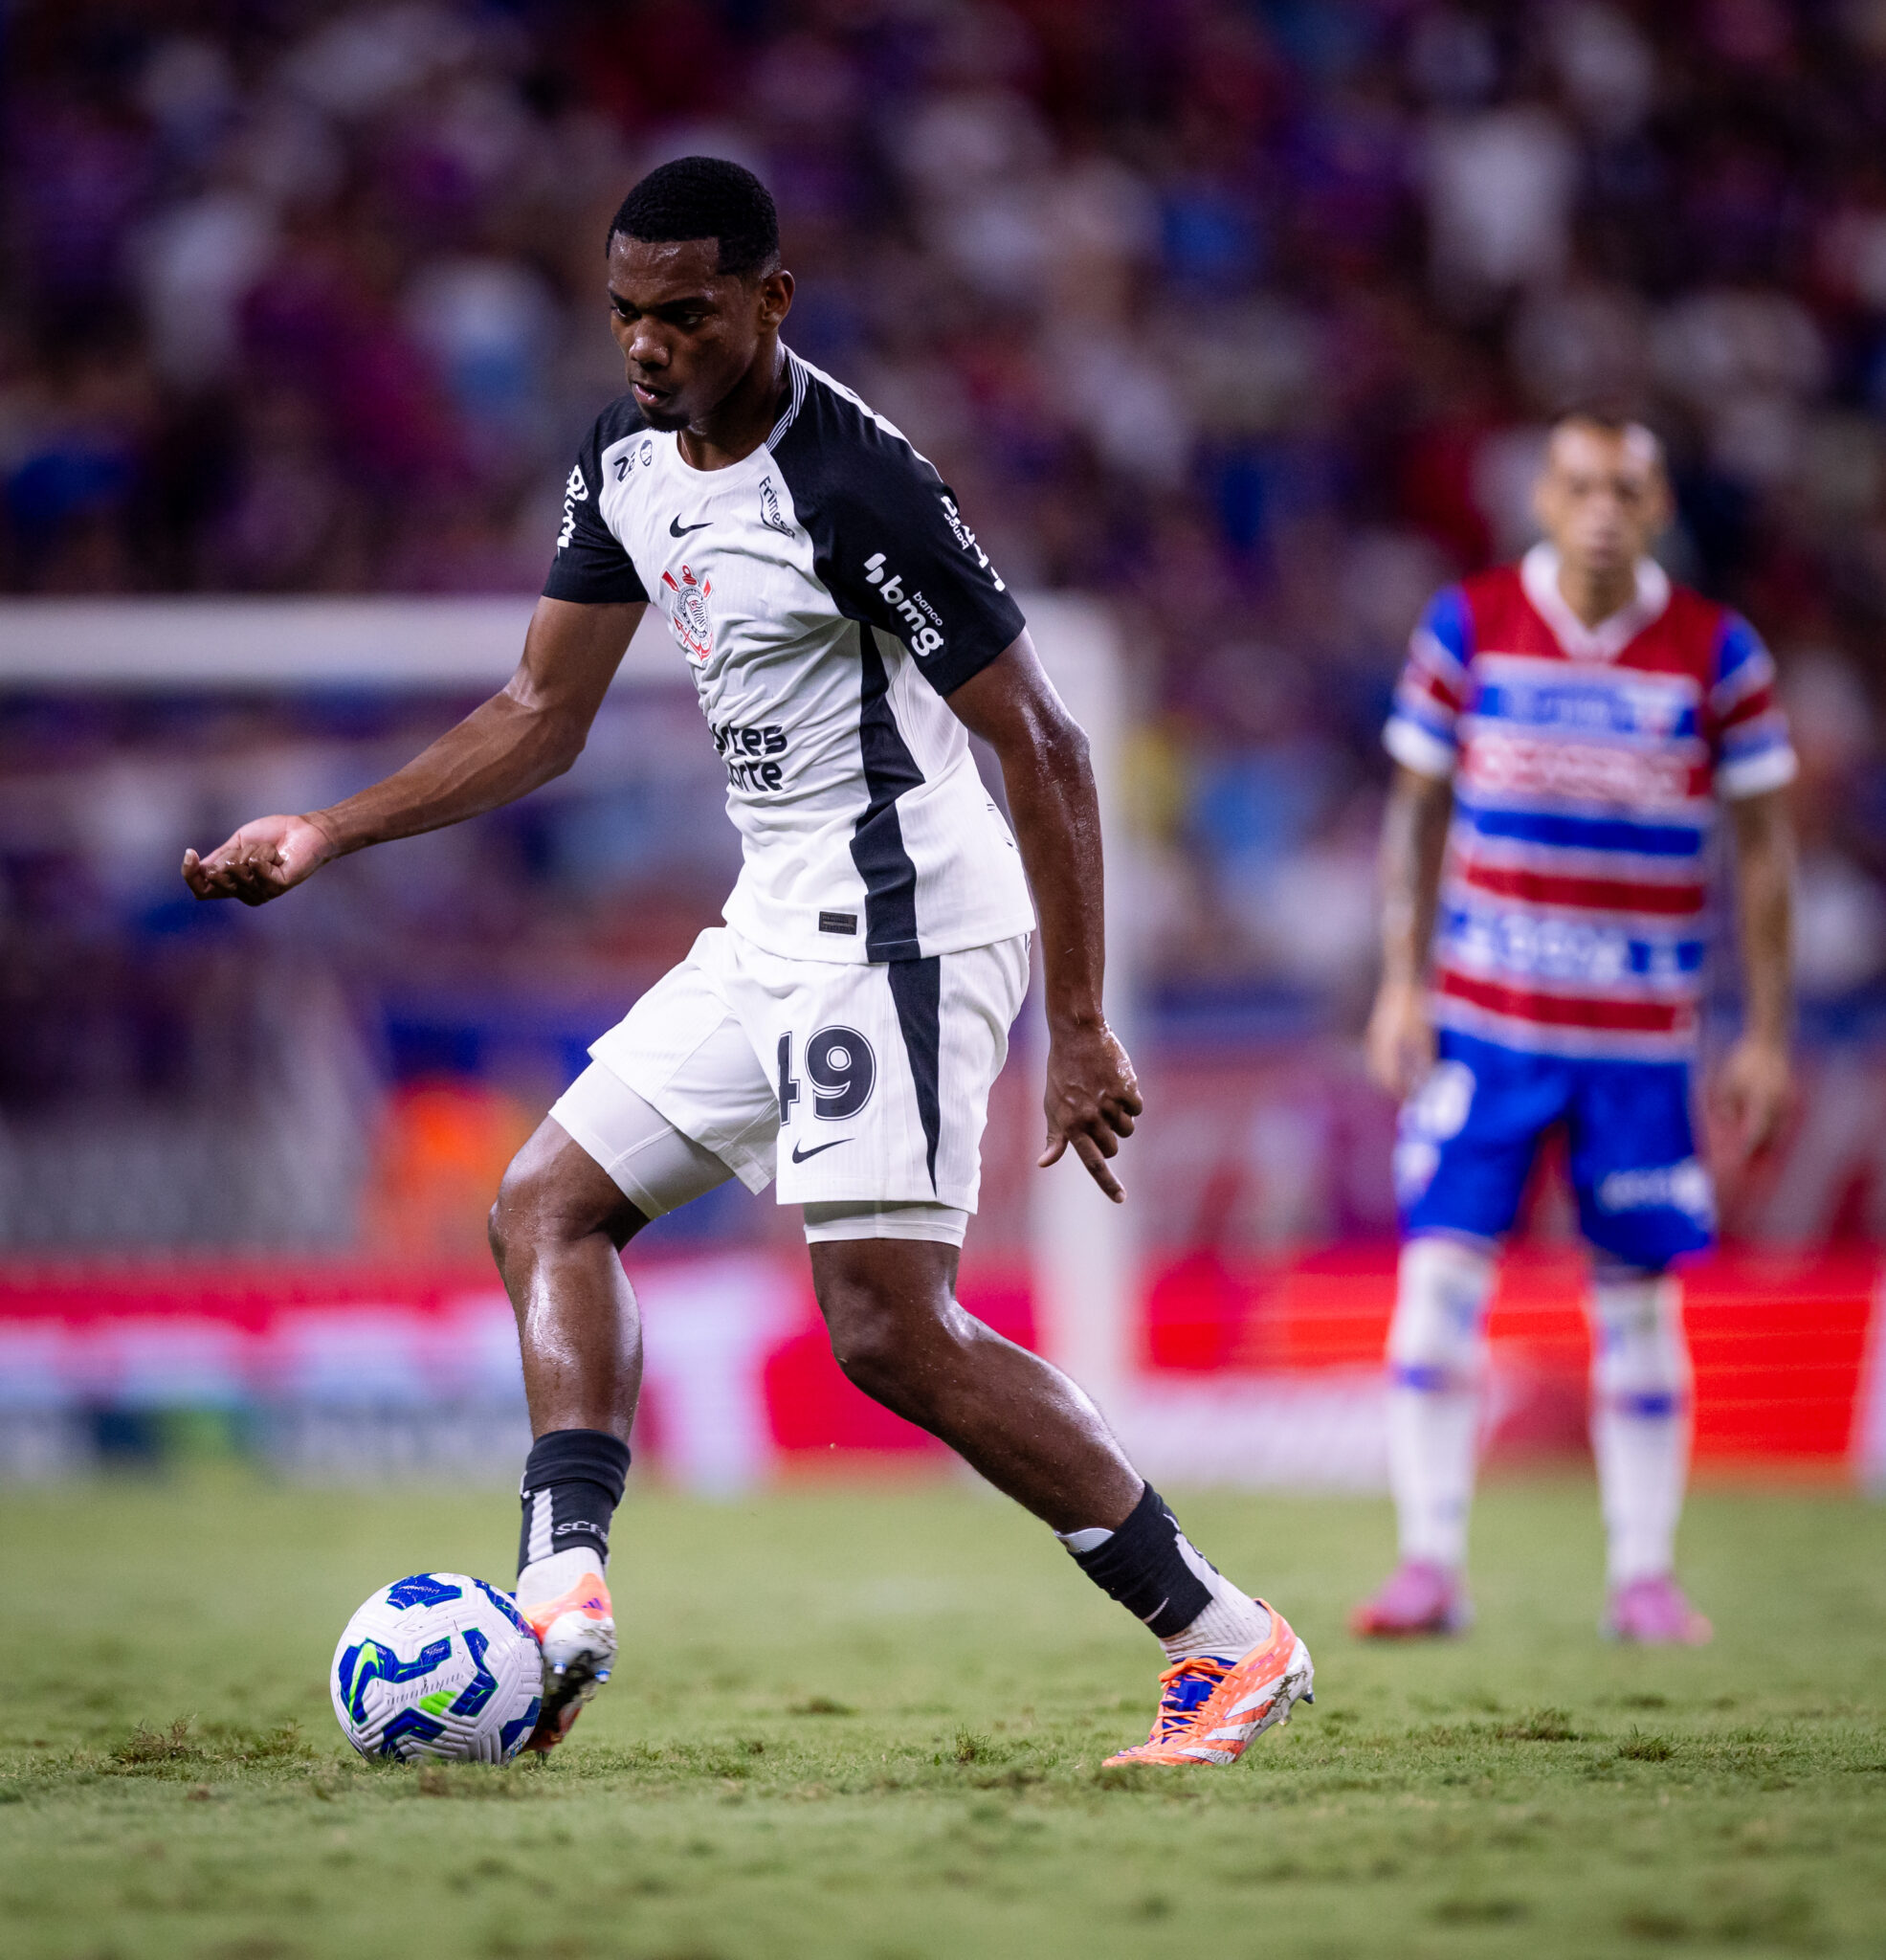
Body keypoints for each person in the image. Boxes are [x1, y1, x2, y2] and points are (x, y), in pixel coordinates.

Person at [183, 157, 1313, 1765]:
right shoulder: (622, 457)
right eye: (626, 314)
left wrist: (1078, 1023)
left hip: (907, 924)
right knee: (545, 1205)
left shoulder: (856, 485)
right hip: (774, 916)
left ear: (770, 301)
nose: (650, 344)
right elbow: (539, 713)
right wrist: (326, 829)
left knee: (886, 1328)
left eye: (687, 314)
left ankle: (1227, 1637)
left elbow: (1047, 744)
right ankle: (560, 1596)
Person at [1353, 414, 1796, 1644]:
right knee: (1439, 1277)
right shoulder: (1470, 624)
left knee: (1639, 1302)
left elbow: (1766, 852)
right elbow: (1414, 813)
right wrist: (1400, 982)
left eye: (1627, 490)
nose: (1603, 509)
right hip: (1487, 1028)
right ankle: (1430, 1564)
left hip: (1641, 1043)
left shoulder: (1718, 651)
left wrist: (1766, 1031)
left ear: (1659, 509)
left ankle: (1643, 1575)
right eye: (1582, 486)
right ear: (1543, 500)